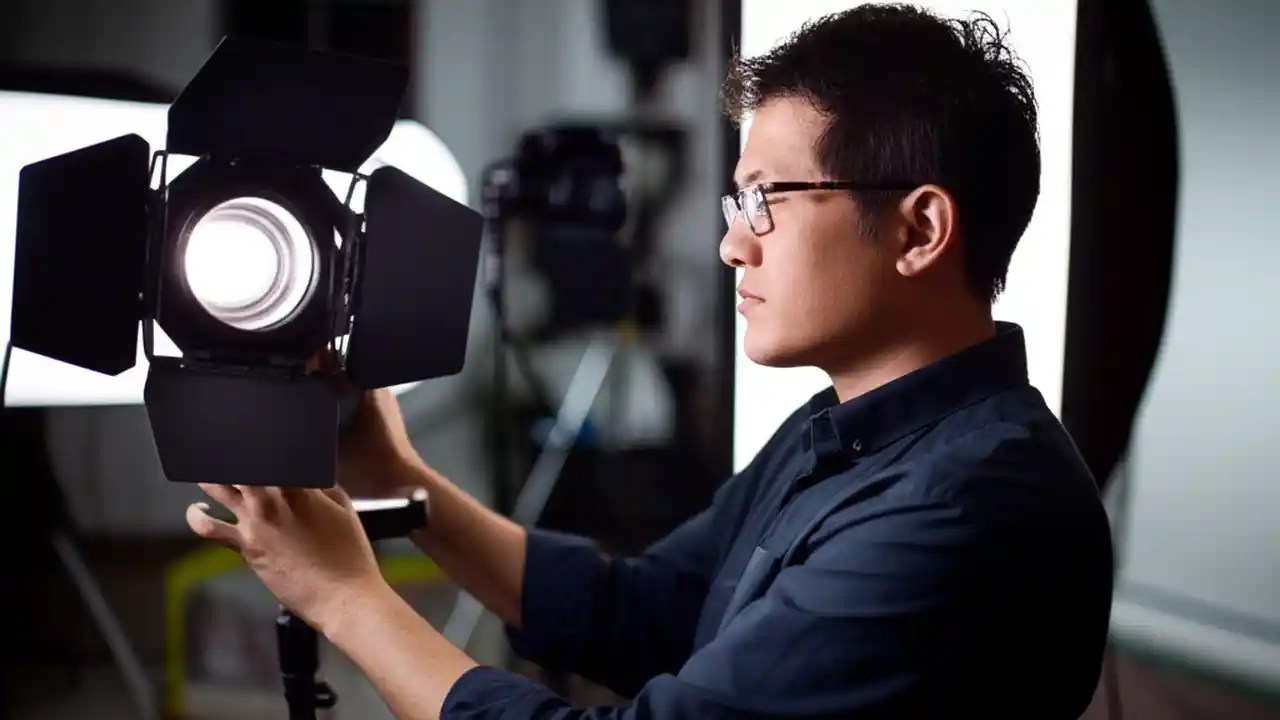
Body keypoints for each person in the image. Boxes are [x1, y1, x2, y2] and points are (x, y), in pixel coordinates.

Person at [186, 4, 1114, 718]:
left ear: (919, 229)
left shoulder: (965, 511)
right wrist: (402, 480)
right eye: (736, 205)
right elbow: (651, 612)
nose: (733, 246)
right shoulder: (846, 432)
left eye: (768, 201)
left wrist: (346, 598)